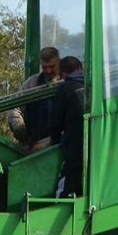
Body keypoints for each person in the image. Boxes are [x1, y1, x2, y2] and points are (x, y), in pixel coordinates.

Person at [11, 47, 63, 148]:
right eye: (44, 67)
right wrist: (18, 126)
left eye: (52, 67)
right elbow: (15, 107)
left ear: (59, 63)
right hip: (34, 142)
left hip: (58, 144)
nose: (48, 71)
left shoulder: (67, 84)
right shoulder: (32, 83)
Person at [53, 52, 88, 198]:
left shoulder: (65, 88)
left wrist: (55, 140)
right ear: (81, 67)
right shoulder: (94, 85)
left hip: (75, 146)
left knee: (66, 187)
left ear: (63, 74)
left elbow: (55, 123)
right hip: (95, 145)